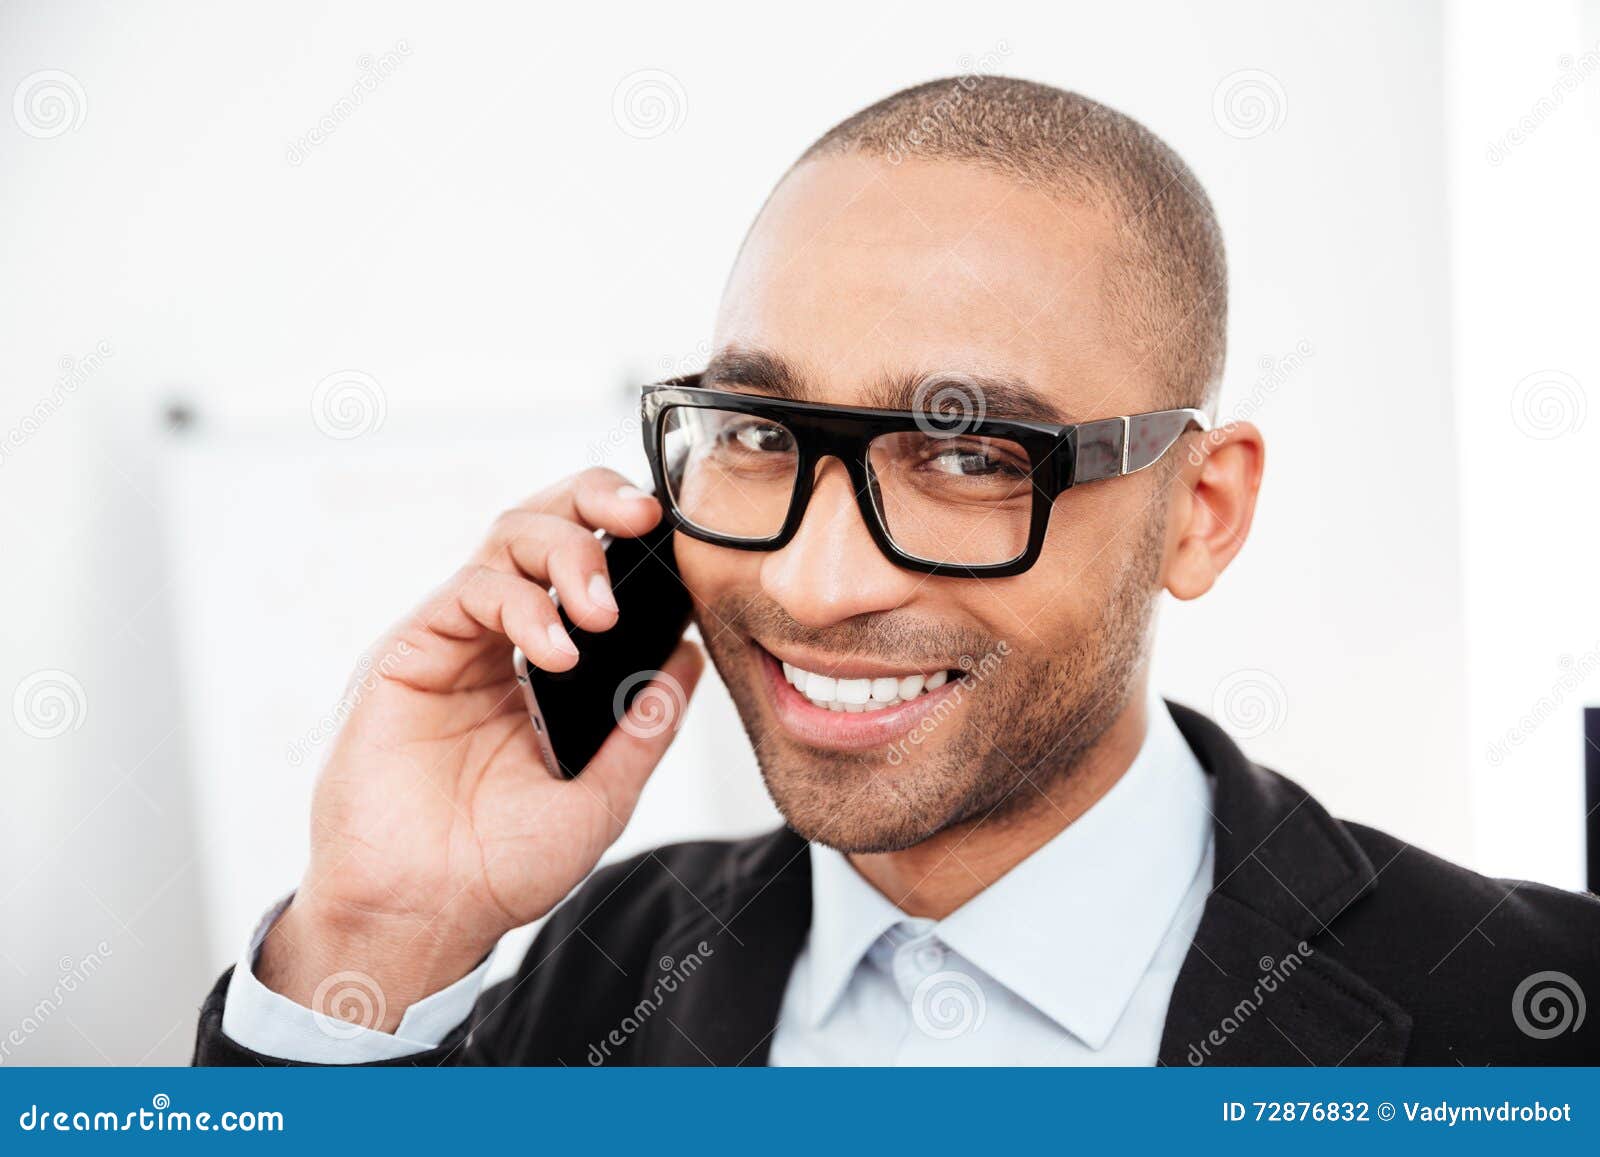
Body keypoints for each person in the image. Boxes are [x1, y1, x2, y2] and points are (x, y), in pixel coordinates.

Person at [194, 76, 1599, 1067]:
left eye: (970, 455)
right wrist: (375, 934)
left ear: (1202, 513)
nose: (814, 586)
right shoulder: (598, 972)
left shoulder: (1539, 1009)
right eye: (757, 434)